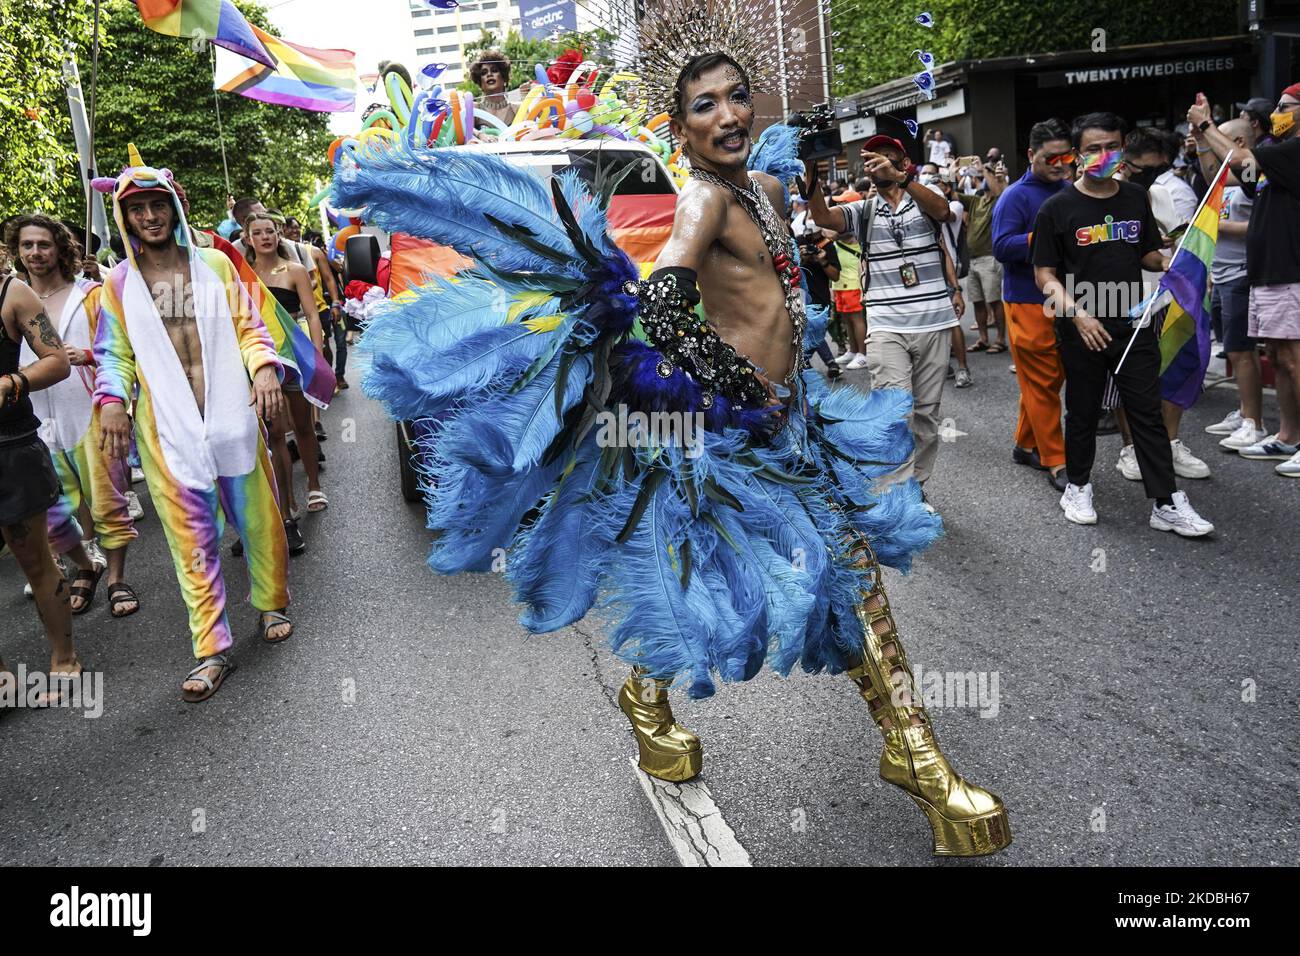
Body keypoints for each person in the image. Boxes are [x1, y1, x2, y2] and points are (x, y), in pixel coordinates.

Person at [338, 49, 1010, 857]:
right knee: (730, 585)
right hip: (733, 438)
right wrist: (737, 385)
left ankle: (864, 747)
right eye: (703, 106)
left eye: (736, 98)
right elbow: (666, 298)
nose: (726, 116)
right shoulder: (700, 203)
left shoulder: (761, 191)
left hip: (802, 426)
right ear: (680, 129)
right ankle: (906, 758)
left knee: (832, 581)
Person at [93, 152, 292, 701]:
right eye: (139, 210)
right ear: (125, 218)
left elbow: (250, 326)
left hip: (231, 415)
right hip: (168, 430)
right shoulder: (116, 284)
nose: (150, 217)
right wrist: (112, 399)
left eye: (159, 205)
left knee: (258, 519)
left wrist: (264, 370)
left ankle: (271, 600)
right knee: (191, 543)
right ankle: (211, 647)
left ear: (175, 208)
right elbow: (113, 354)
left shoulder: (216, 266)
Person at [1033, 112, 1213, 534]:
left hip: (1135, 322)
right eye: (1093, 148)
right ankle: (1077, 486)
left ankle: (1165, 501)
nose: (1103, 155)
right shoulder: (1056, 209)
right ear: (1077, 155)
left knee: (1146, 412)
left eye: (1111, 146)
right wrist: (1077, 315)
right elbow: (1045, 275)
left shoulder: (1136, 197)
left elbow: (1147, 252)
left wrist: (1169, 261)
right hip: (1082, 325)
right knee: (1082, 411)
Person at [805, 135, 963, 507]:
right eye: (873, 158)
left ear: (904, 163)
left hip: (932, 320)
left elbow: (944, 212)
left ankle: (917, 483)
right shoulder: (863, 210)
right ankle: (896, 487)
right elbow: (824, 218)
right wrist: (810, 171)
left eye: (888, 158)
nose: (879, 163)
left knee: (926, 414)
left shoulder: (923, 198)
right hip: (886, 323)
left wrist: (903, 179)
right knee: (893, 411)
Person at [5, 215, 138, 617]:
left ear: (61, 248)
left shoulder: (93, 294)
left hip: (89, 412)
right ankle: (85, 563)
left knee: (107, 504)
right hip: (35, 425)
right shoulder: (11, 298)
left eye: (43, 244)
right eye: (27, 245)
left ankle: (116, 578)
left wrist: (91, 355)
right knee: (53, 515)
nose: (35, 253)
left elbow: (124, 349)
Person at [1191, 85, 1300, 477]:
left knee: (1294, 358)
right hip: (1269, 273)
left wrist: (1205, 123)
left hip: (1290, 271)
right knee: (1280, 357)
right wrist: (1205, 139)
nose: (1276, 114)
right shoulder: (1277, 160)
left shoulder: (1293, 151)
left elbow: (1239, 156)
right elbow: (1226, 173)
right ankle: (1288, 437)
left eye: (1285, 107)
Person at [0, 271, 80, 704]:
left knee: (34, 559)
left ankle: (64, 657)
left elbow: (57, 359)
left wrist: (12, 382)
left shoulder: (11, 291)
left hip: (10, 450)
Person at [992, 118, 1073, 493]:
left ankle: (1026, 444)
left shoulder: (1071, 188)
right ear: (1030, 155)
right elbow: (1001, 247)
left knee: (1048, 379)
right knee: (1042, 381)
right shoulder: (1014, 196)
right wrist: (1043, 237)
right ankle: (1056, 459)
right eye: (1050, 158)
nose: (1059, 164)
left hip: (1069, 297)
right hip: (1027, 299)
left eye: (1065, 156)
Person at [244, 212, 328, 538]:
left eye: (270, 231)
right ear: (247, 237)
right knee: (275, 431)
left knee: (303, 425)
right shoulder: (243, 276)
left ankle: (314, 485)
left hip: (294, 354)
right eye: (258, 232)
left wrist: (317, 356)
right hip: (263, 358)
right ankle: (286, 501)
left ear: (278, 235)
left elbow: (311, 314)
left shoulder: (294, 271)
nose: (265, 237)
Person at [1198, 119, 1266, 451]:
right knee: (1235, 349)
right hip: (1222, 274)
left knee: (1241, 350)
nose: (1212, 143)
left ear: (1237, 140)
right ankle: (1244, 412)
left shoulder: (1255, 177)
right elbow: (1212, 175)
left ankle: (1254, 422)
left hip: (1242, 272)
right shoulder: (1231, 179)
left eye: (1216, 138)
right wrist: (1200, 143)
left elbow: (1259, 226)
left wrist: (1218, 225)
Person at [925, 165, 974, 387]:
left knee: (952, 321)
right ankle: (944, 365)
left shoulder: (952, 205)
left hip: (947, 268)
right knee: (932, 323)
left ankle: (963, 369)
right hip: (926, 275)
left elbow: (947, 215)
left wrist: (956, 289)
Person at [957, 157, 1009, 355]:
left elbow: (1000, 192)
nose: (983, 177)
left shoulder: (998, 200)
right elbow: (953, 194)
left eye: (986, 175)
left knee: (994, 301)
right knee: (978, 302)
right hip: (973, 261)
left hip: (990, 258)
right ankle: (984, 339)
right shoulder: (976, 201)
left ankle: (1001, 340)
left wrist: (983, 169)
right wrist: (954, 173)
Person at [469, 49, 523, 125]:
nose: (489, 74)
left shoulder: (517, 109)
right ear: (480, 83)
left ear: (504, 78)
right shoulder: (474, 109)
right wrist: (480, 134)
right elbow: (465, 132)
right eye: (484, 73)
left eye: (494, 70)